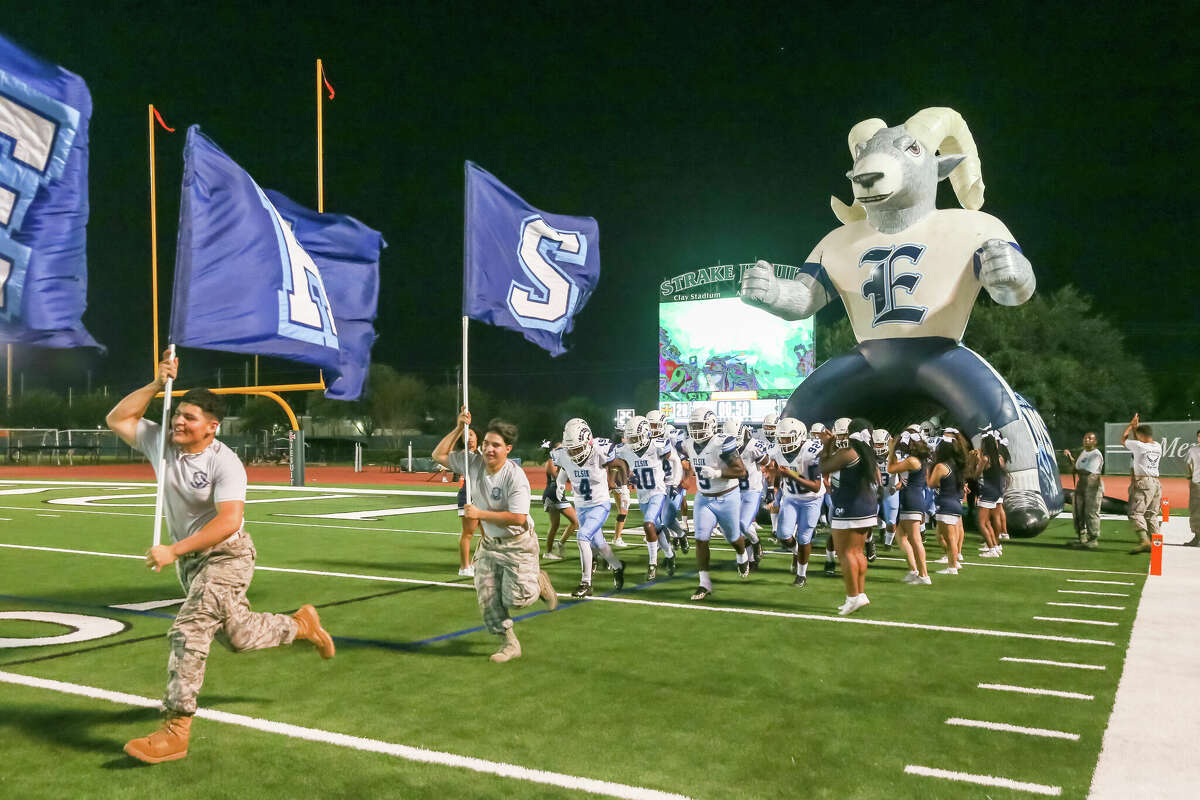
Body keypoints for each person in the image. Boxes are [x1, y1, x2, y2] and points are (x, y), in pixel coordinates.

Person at [107, 350, 334, 764]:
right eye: (177, 413)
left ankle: (176, 729)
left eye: (189, 418)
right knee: (239, 637)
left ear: (212, 428)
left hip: (228, 556)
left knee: (189, 629)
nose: (178, 421)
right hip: (192, 563)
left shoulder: (224, 461)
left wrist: (172, 548)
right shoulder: (161, 442)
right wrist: (158, 385)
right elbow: (118, 419)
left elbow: (230, 521)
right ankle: (301, 625)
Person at [433, 408, 558, 663]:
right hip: (490, 544)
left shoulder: (515, 477)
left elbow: (518, 517)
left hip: (518, 544)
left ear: (508, 449)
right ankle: (509, 643)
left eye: (496, 445)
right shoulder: (473, 462)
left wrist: (480, 513)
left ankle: (539, 581)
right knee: (487, 597)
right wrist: (459, 427)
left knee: (517, 599)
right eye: (486, 443)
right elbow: (439, 455)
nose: (488, 449)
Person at [552, 418, 627, 597]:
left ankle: (586, 583)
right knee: (598, 543)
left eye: (577, 448)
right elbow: (565, 468)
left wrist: (621, 483)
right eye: (571, 449)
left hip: (599, 504)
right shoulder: (564, 454)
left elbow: (619, 464)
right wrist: (560, 484)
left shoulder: (599, 450)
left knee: (583, 536)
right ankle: (617, 566)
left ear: (588, 441)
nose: (574, 452)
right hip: (581, 505)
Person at [680, 407, 749, 600]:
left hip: (728, 496)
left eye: (700, 425)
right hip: (704, 498)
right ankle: (704, 583)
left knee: (734, 538)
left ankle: (742, 554)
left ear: (711, 425)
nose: (696, 430)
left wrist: (718, 472)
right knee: (701, 539)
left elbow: (742, 471)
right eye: (693, 425)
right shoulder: (688, 443)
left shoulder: (723, 443)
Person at [819, 417, 878, 615]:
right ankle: (858, 594)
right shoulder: (866, 451)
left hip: (850, 506)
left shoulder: (849, 451)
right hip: (867, 505)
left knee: (846, 553)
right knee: (857, 552)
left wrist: (828, 444)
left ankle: (853, 597)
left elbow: (823, 467)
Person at [612, 416, 677, 580]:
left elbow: (674, 460)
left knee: (648, 524)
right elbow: (617, 463)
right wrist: (627, 476)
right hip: (642, 496)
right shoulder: (625, 450)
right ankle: (670, 556)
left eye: (635, 438)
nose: (632, 441)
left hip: (657, 492)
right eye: (630, 438)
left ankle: (652, 564)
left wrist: (671, 480)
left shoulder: (658, 446)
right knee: (656, 528)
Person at [771, 417, 825, 588]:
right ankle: (797, 553)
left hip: (812, 499)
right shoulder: (777, 451)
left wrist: (791, 475)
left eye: (787, 438)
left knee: (803, 538)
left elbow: (816, 487)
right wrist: (774, 490)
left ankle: (802, 575)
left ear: (800, 436)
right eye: (781, 438)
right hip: (791, 498)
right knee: (783, 534)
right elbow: (779, 472)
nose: (784, 442)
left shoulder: (811, 452)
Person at [887, 427, 932, 584]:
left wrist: (891, 450)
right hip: (910, 498)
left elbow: (890, 469)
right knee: (901, 536)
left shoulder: (912, 461)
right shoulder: (915, 459)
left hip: (912, 499)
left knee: (915, 539)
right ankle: (914, 570)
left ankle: (924, 575)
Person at [724, 418, 767, 570]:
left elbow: (768, 463)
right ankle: (751, 559)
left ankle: (755, 543)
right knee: (729, 528)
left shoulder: (753, 446)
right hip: (734, 491)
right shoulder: (724, 448)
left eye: (735, 438)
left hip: (751, 490)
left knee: (742, 524)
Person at [928, 428, 968, 574]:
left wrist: (928, 469)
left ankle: (952, 566)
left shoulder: (941, 466)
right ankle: (954, 563)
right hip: (955, 504)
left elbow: (931, 483)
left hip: (945, 504)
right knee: (952, 537)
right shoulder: (957, 465)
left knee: (948, 538)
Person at [1121, 413, 1162, 554]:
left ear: (1141, 436)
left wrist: (1131, 426)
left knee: (1135, 512)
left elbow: (1123, 440)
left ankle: (1145, 541)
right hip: (1156, 483)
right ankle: (1156, 544)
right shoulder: (1157, 446)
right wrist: (1136, 428)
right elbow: (1138, 441)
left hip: (1143, 482)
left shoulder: (1139, 445)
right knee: (1151, 514)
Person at [1064, 432, 1104, 548]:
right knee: (1078, 512)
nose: (1087, 440)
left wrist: (1075, 469)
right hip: (1081, 485)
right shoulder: (1084, 453)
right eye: (1085, 438)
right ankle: (1082, 538)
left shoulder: (1096, 454)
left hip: (1092, 486)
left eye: (1090, 439)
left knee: (1091, 512)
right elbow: (1077, 467)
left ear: (1095, 442)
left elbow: (1087, 471)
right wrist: (1070, 457)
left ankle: (1093, 539)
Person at [541, 440, 578, 560]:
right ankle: (559, 544)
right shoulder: (551, 461)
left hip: (557, 494)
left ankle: (549, 552)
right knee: (575, 521)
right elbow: (555, 475)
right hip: (553, 494)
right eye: (560, 448)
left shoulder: (563, 461)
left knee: (555, 525)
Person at [974, 430, 1007, 558]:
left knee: (982, 523)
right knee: (988, 521)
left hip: (987, 491)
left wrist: (976, 460)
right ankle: (995, 546)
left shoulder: (985, 458)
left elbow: (976, 475)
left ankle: (992, 549)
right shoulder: (999, 458)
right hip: (996, 491)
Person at [455, 428, 481, 576]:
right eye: (465, 435)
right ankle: (464, 567)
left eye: (471, 434)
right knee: (468, 532)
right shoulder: (464, 455)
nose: (469, 438)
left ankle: (476, 562)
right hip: (469, 495)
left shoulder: (481, 453)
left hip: (482, 496)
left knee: (488, 533)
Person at [1185, 430, 1200, 547]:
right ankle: (1197, 537)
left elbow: (1188, 464)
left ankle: (1197, 538)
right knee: (1196, 511)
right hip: (1197, 483)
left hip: (1197, 483)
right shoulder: (1193, 450)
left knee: (1196, 510)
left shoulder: (1193, 450)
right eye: (1199, 436)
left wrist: (1190, 477)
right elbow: (1188, 464)